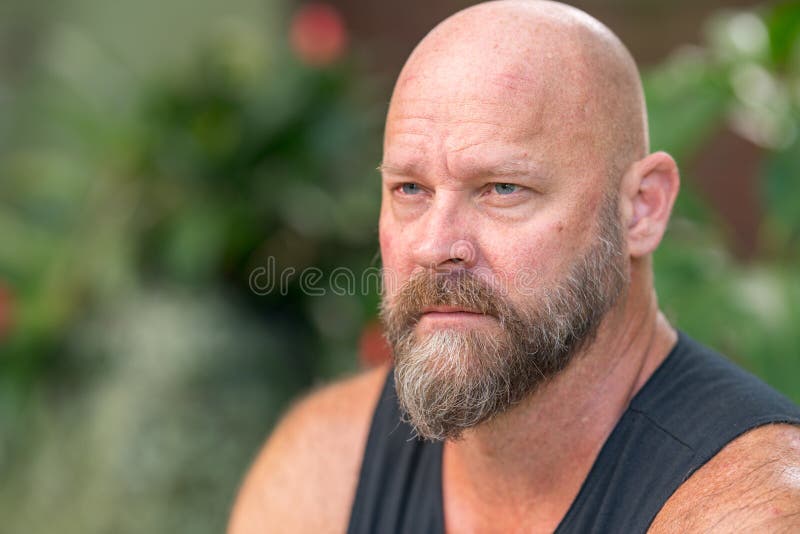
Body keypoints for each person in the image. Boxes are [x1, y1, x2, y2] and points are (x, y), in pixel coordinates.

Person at [228, 1, 800, 532]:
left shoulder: (749, 509)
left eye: (502, 188)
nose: (436, 244)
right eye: (410, 188)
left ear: (642, 209)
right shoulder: (322, 465)